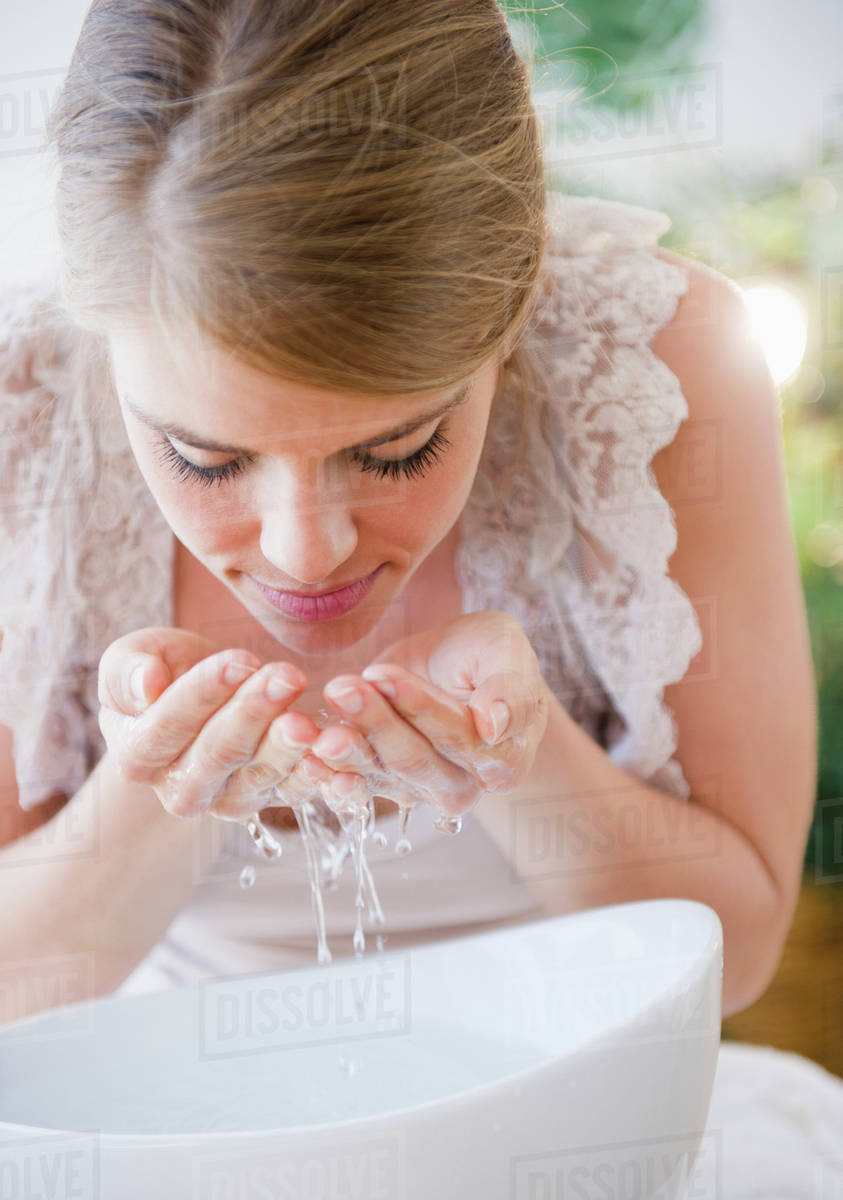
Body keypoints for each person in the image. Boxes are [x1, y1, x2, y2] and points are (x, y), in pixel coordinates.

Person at [0, 0, 816, 1023]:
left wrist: (522, 753)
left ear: (514, 321)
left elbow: (733, 960)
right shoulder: (17, 416)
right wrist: (164, 782)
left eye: (397, 449)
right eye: (204, 458)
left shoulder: (661, 362)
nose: (308, 551)